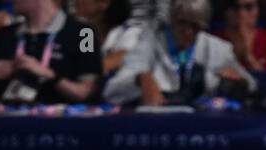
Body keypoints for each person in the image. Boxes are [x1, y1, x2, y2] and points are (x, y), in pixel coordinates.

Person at [106, 0, 254, 106]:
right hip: (156, 125)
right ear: (172, 19)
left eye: (195, 26)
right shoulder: (148, 44)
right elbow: (112, 92)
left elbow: (252, 85)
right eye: (182, 23)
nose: (188, 31)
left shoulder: (218, 49)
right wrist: (139, 78)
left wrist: (239, 83)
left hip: (202, 125)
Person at [0, 0, 101, 107]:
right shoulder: (3, 35)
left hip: (59, 124)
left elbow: (86, 92)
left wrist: (50, 76)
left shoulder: (85, 34)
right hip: (5, 122)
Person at [213, 0, 266, 72]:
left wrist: (248, 56)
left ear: (258, 10)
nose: (241, 14)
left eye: (248, 7)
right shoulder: (213, 40)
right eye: (234, 7)